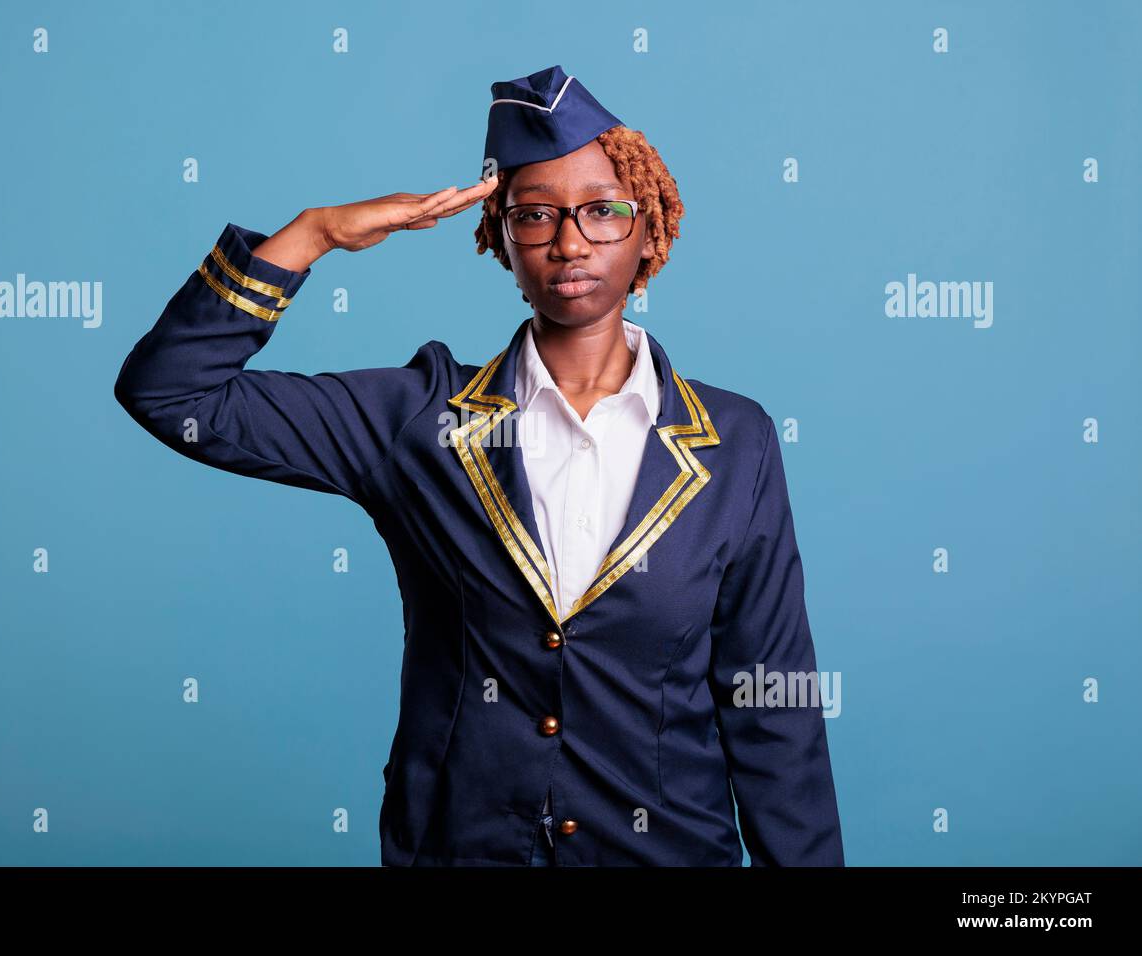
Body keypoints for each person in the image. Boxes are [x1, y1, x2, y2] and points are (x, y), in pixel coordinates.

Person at [113, 64, 844, 866]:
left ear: (650, 225)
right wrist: (313, 234)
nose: (570, 241)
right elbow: (171, 392)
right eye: (536, 215)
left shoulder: (735, 440)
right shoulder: (418, 419)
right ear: (499, 233)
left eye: (603, 211)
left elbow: (772, 706)